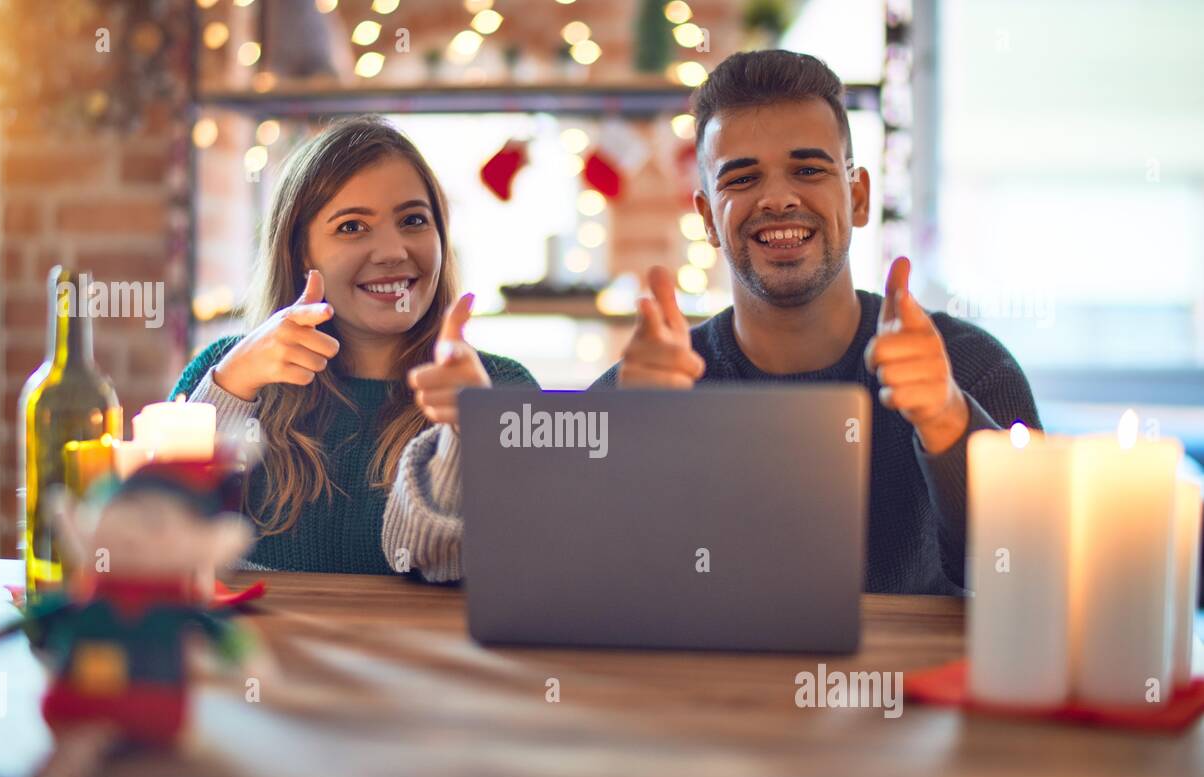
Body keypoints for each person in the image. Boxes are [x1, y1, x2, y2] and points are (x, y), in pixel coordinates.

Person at [387, 50, 1041, 596]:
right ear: (706, 217)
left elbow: (1033, 570)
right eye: (743, 177)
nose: (778, 197)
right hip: (705, 726)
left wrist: (949, 423)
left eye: (808, 169)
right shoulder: (649, 383)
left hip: (916, 730)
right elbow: (519, 567)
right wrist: (613, 437)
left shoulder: (970, 365)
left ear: (860, 195)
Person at [170, 116, 536, 573]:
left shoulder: (504, 390)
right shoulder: (226, 373)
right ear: (300, 251)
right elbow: (158, 536)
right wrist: (229, 389)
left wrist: (465, 433)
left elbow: (439, 568)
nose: (392, 251)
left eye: (413, 220)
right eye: (352, 227)